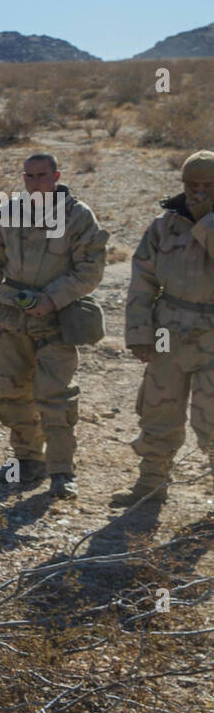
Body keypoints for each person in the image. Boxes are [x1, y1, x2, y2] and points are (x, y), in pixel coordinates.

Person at [0, 152, 107, 499]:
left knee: (56, 397)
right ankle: (28, 461)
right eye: (28, 176)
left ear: (56, 175)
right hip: (10, 320)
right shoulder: (7, 214)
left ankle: (62, 471)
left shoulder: (77, 217)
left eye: (41, 175)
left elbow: (90, 269)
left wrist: (52, 297)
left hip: (56, 320)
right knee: (13, 391)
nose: (35, 182)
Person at [112, 150, 214, 507]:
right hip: (167, 329)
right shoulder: (164, 225)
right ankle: (150, 485)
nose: (197, 193)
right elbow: (142, 282)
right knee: (158, 408)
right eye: (191, 186)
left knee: (212, 419)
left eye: (207, 186)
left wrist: (206, 222)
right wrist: (139, 333)